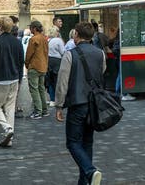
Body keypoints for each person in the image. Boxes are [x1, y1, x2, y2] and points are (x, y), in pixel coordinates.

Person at [55, 20, 106, 185]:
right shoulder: (100, 53)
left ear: (76, 35)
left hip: (77, 103)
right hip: (93, 103)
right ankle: (85, 181)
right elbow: (102, 71)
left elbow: (63, 81)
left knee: (73, 142)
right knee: (87, 142)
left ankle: (90, 172)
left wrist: (59, 105)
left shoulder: (70, 54)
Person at [0, 15, 23, 147]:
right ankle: (9, 137)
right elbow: (20, 62)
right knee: (10, 107)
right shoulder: (17, 42)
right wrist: (19, 78)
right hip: (14, 78)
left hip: (0, 79)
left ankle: (7, 128)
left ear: (0, 27)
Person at [25, 19, 49, 119]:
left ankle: (37, 111)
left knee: (34, 90)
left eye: (31, 27)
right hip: (43, 66)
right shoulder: (44, 38)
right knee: (41, 89)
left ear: (34, 29)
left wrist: (27, 64)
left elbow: (29, 54)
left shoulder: (33, 39)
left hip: (34, 67)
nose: (30, 29)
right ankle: (44, 110)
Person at [47, 25, 65, 105]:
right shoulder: (58, 40)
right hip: (57, 61)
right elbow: (63, 52)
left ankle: (52, 99)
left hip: (49, 60)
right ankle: (59, 99)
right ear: (56, 32)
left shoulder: (48, 40)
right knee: (58, 81)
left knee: (50, 81)